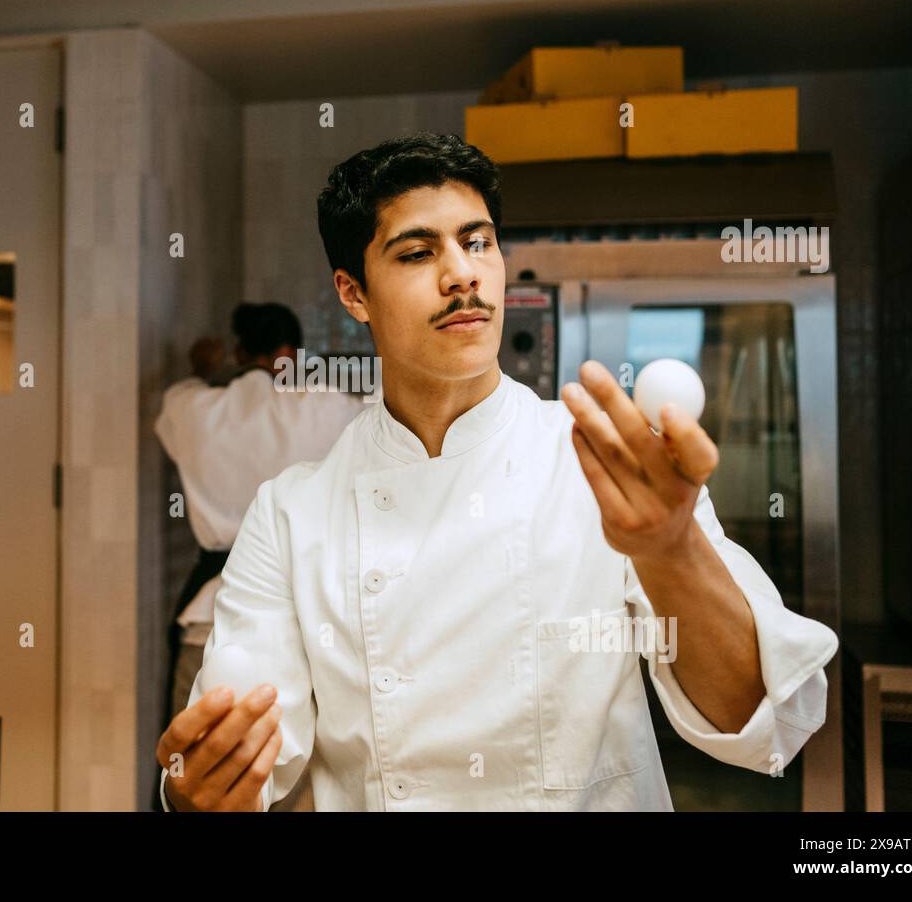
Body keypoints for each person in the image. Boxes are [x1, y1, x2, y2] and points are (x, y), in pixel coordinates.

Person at [156, 132, 839, 812]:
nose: (463, 273)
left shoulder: (601, 466)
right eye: (419, 252)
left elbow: (755, 717)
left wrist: (671, 546)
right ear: (354, 294)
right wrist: (197, 788)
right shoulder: (290, 515)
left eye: (478, 242)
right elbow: (224, 774)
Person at [153, 301, 364, 807]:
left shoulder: (196, 408)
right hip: (320, 615)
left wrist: (209, 368)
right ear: (296, 352)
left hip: (208, 613)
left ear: (241, 351)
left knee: (211, 774)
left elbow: (175, 404)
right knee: (309, 786)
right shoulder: (336, 406)